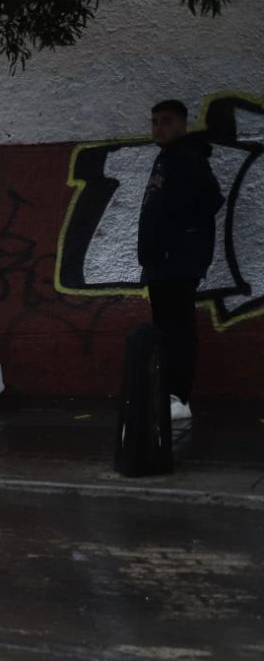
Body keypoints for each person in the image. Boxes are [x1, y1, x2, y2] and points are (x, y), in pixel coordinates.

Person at [138, 99, 224, 422]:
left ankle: (180, 396)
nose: (158, 127)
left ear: (182, 125)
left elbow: (212, 199)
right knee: (164, 329)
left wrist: (182, 236)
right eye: (155, 121)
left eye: (166, 121)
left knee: (178, 329)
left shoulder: (189, 158)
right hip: (160, 262)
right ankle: (168, 392)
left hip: (177, 262)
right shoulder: (166, 158)